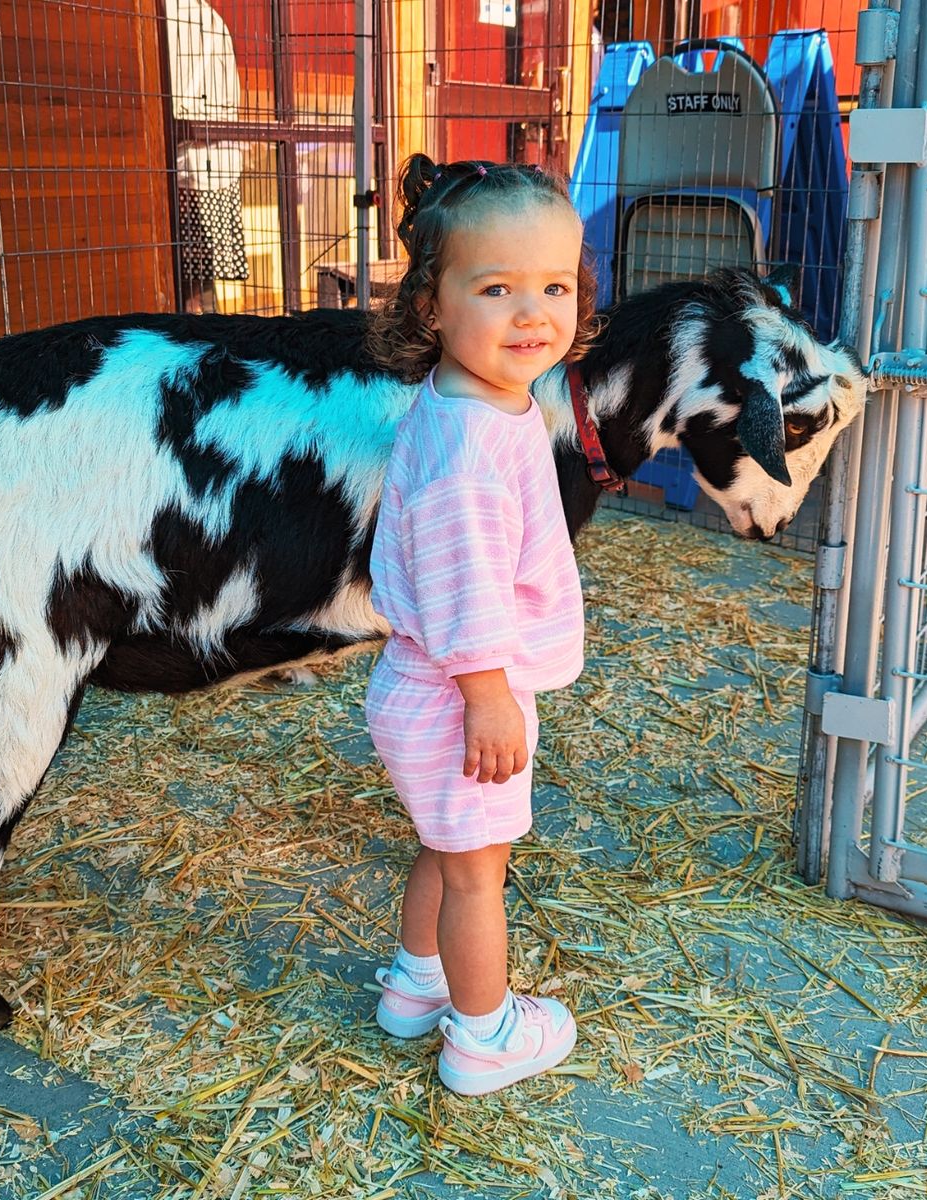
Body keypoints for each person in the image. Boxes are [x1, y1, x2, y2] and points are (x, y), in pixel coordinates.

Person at [363, 155, 596, 1096]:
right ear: (431, 305)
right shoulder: (469, 453)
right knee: (476, 875)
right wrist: (489, 698)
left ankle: (415, 986)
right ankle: (484, 1035)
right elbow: (464, 590)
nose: (532, 314)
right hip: (459, 693)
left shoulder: (480, 400)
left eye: (555, 287)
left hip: (432, 688)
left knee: (447, 844)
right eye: (497, 289)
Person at [164, 0, 249, 313]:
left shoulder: (164, 16)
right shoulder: (211, 18)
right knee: (204, 266)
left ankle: (195, 325)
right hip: (218, 157)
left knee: (187, 270)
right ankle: (208, 325)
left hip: (186, 161)